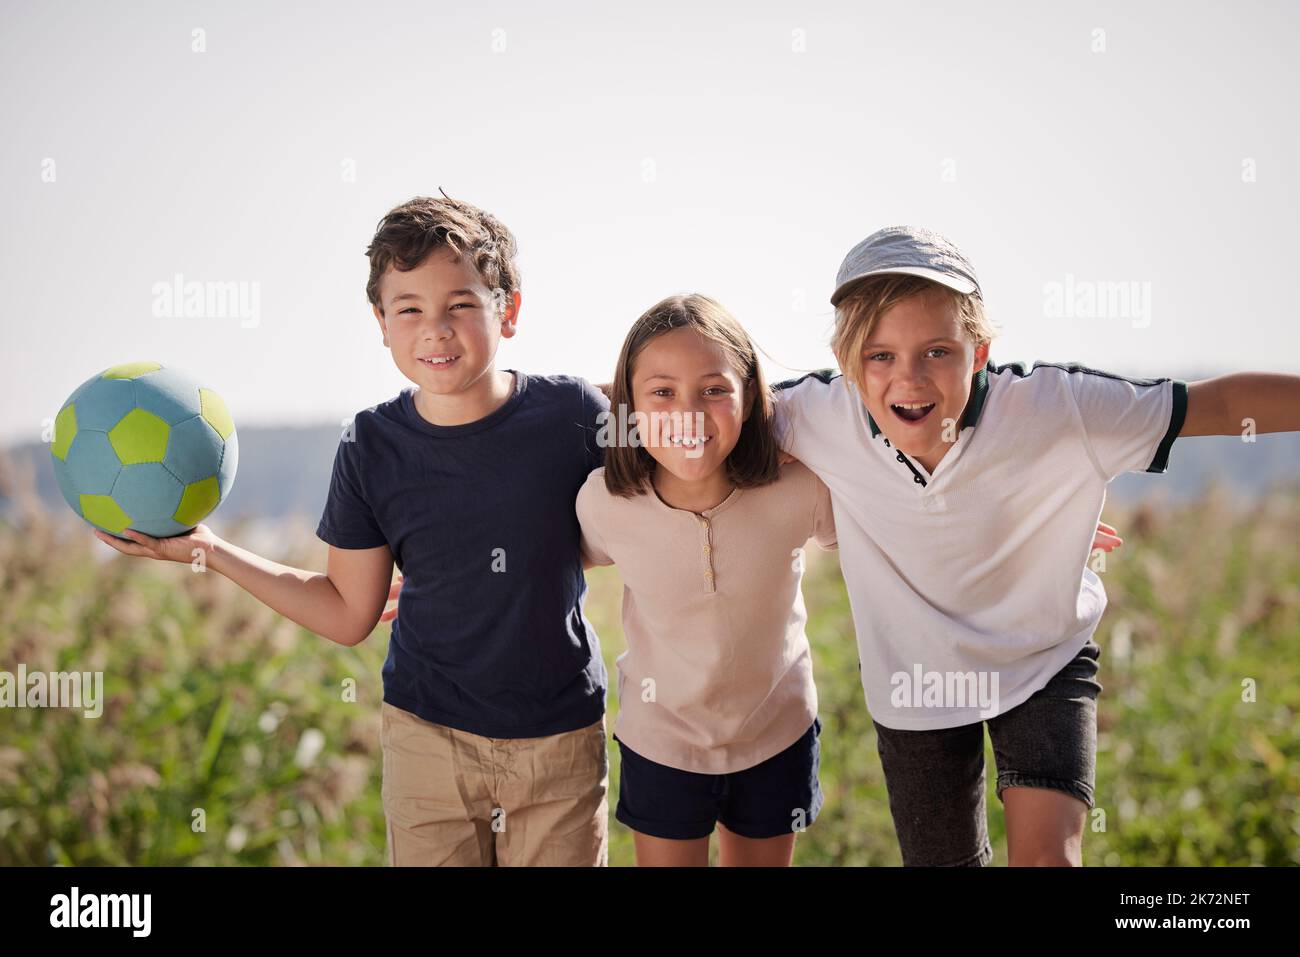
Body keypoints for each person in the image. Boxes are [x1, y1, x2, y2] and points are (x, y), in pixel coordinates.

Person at [93, 193, 612, 867]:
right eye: (410, 310)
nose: (436, 329)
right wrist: (210, 551)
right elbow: (346, 613)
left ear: (508, 310)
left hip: (559, 736)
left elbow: (653, 495)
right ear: (381, 323)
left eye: (461, 304)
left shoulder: (570, 413)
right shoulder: (372, 444)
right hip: (429, 735)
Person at [771, 224, 1300, 865]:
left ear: (981, 351)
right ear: (850, 364)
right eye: (880, 356)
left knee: (1049, 859)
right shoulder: (816, 413)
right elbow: (693, 400)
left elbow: (1217, 407)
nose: (907, 378)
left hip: (1043, 657)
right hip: (914, 681)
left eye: (937, 351)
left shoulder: (1058, 406)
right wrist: (612, 418)